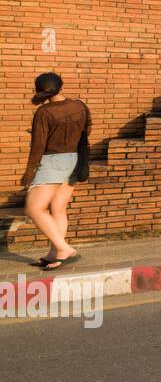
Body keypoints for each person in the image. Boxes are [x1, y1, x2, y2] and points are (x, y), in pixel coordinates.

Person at [19, 72, 90, 271]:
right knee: (58, 209)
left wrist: (28, 173)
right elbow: (86, 130)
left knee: (34, 208)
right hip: (74, 159)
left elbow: (38, 146)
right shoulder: (79, 105)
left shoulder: (44, 112)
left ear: (40, 91)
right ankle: (54, 254)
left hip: (52, 161)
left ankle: (64, 248)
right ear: (61, 86)